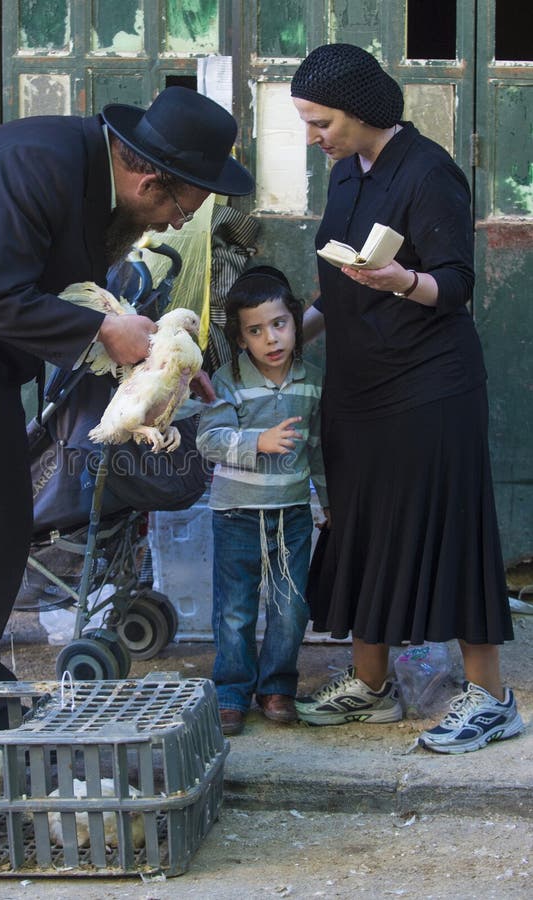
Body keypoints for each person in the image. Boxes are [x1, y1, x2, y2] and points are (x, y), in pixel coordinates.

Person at [0, 86, 254, 686]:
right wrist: (107, 332)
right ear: (149, 183)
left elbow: (84, 294)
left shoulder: (90, 174)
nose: (175, 223)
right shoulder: (36, 163)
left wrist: (168, 355)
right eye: (182, 209)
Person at [289, 43, 522, 753]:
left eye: (321, 122)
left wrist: (400, 281)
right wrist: (289, 331)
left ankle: (490, 698)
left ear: (359, 113)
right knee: (361, 526)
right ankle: (372, 684)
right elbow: (337, 278)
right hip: (356, 385)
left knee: (450, 531)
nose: (313, 137)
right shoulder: (344, 174)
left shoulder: (428, 173)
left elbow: (453, 285)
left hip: (428, 386)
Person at [196, 266, 329, 735]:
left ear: (295, 321)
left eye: (279, 324)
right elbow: (208, 440)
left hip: (291, 515)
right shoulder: (227, 381)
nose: (271, 338)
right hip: (235, 514)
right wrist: (258, 441)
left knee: (291, 606)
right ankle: (231, 692)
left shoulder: (312, 381)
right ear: (240, 339)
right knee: (235, 609)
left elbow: (317, 449)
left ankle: (277, 686)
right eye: (256, 330)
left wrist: (327, 503)